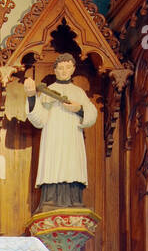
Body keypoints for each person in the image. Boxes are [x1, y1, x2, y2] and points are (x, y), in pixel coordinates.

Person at [22, 54, 97, 209]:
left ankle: (75, 201)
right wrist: (31, 97)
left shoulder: (79, 93)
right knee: (53, 165)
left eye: (68, 67)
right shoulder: (48, 92)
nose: (64, 71)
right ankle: (50, 202)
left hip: (72, 137)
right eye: (61, 68)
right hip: (53, 138)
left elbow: (92, 114)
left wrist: (80, 109)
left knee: (73, 165)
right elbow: (39, 119)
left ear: (73, 69)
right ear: (55, 70)